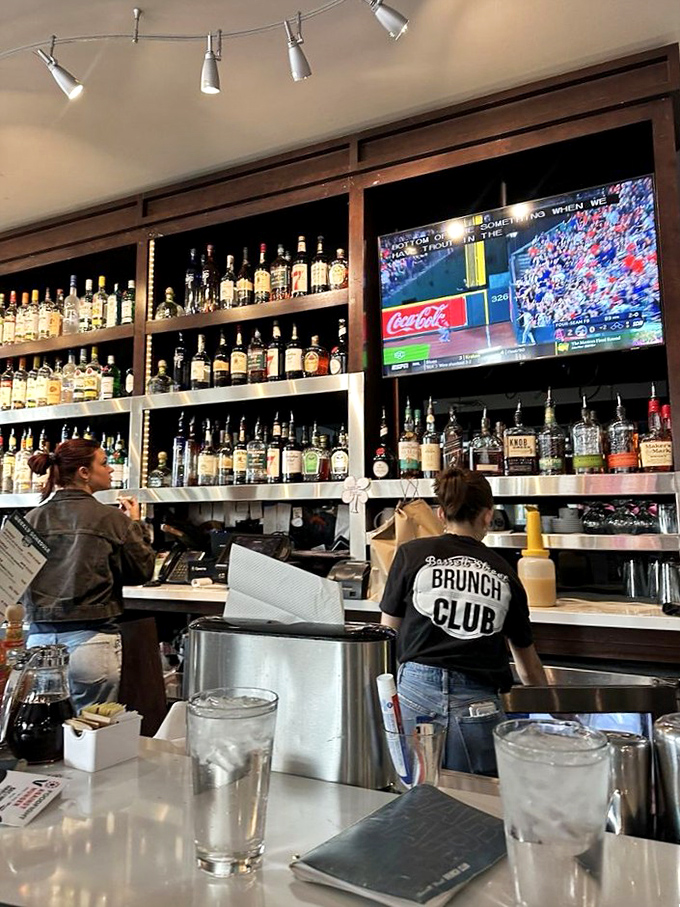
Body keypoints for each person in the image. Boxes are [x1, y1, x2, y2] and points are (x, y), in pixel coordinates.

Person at [380, 465, 548, 776]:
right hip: (477, 705)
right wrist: (553, 710)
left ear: (441, 515)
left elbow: (386, 634)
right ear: (488, 515)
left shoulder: (410, 554)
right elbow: (528, 668)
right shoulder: (505, 572)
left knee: (411, 794)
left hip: (414, 691)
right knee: (476, 802)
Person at [21, 438, 155, 711]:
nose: (111, 470)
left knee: (46, 733)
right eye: (104, 463)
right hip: (91, 641)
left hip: (38, 643)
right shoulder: (112, 519)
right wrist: (136, 524)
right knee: (91, 735)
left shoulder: (30, 519)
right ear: (84, 472)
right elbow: (142, 571)